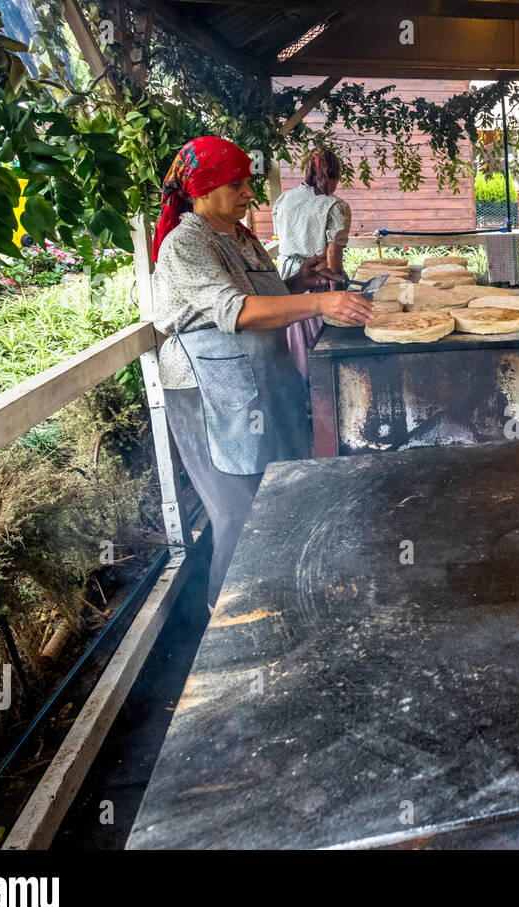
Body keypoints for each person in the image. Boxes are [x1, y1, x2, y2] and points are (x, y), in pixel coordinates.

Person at [151, 136, 373, 609]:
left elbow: (259, 293)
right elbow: (233, 309)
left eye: (248, 183)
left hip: (261, 379)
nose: (249, 193)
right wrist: (319, 301)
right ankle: (223, 619)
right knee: (238, 508)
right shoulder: (186, 242)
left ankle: (275, 596)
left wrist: (299, 283)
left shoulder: (239, 236)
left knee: (277, 490)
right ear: (203, 189)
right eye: (237, 185)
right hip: (213, 391)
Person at [272, 148, 353, 377]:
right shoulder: (335, 206)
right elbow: (333, 255)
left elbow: (283, 238)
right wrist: (338, 289)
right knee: (322, 339)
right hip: (317, 277)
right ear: (333, 176)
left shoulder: (284, 199)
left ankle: (300, 387)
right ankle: (321, 386)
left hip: (287, 276)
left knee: (294, 332)